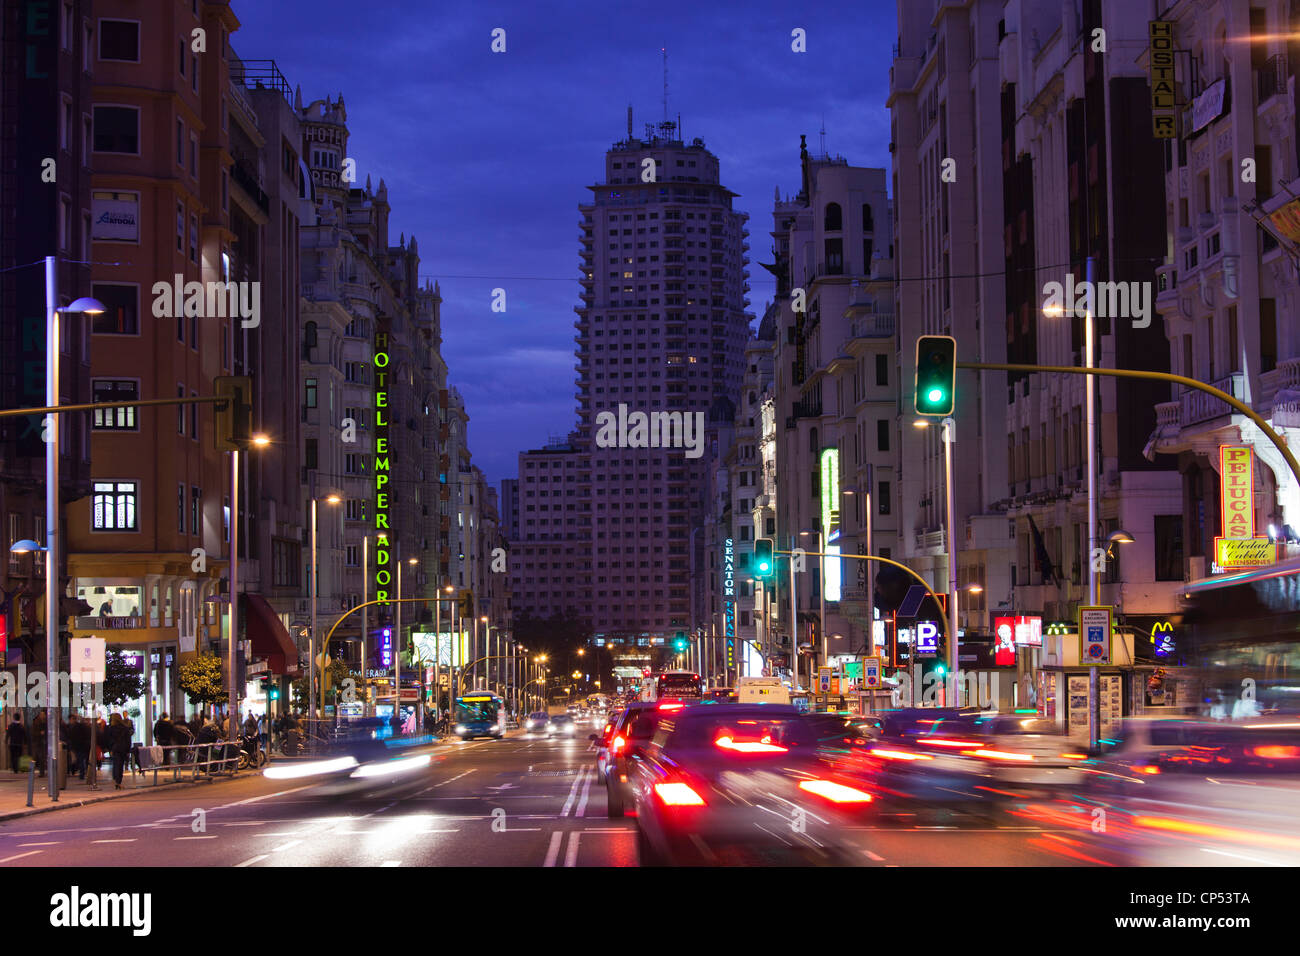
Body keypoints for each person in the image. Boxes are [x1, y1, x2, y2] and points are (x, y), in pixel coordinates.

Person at [105, 713, 132, 790]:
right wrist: (128, 750)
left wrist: (110, 749)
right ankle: (118, 781)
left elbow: (108, 740)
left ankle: (116, 780)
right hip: (123, 749)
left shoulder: (111, 728)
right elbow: (128, 741)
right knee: (120, 765)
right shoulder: (125, 728)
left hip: (115, 749)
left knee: (116, 764)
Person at [30, 710, 46, 776]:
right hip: (37, 742)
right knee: (36, 757)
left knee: (41, 758)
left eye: (44, 715)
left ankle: (41, 772)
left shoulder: (44, 722)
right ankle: (32, 772)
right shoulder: (36, 722)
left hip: (41, 742)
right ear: (40, 715)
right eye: (42, 715)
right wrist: (40, 733)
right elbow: (33, 733)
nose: (44, 716)